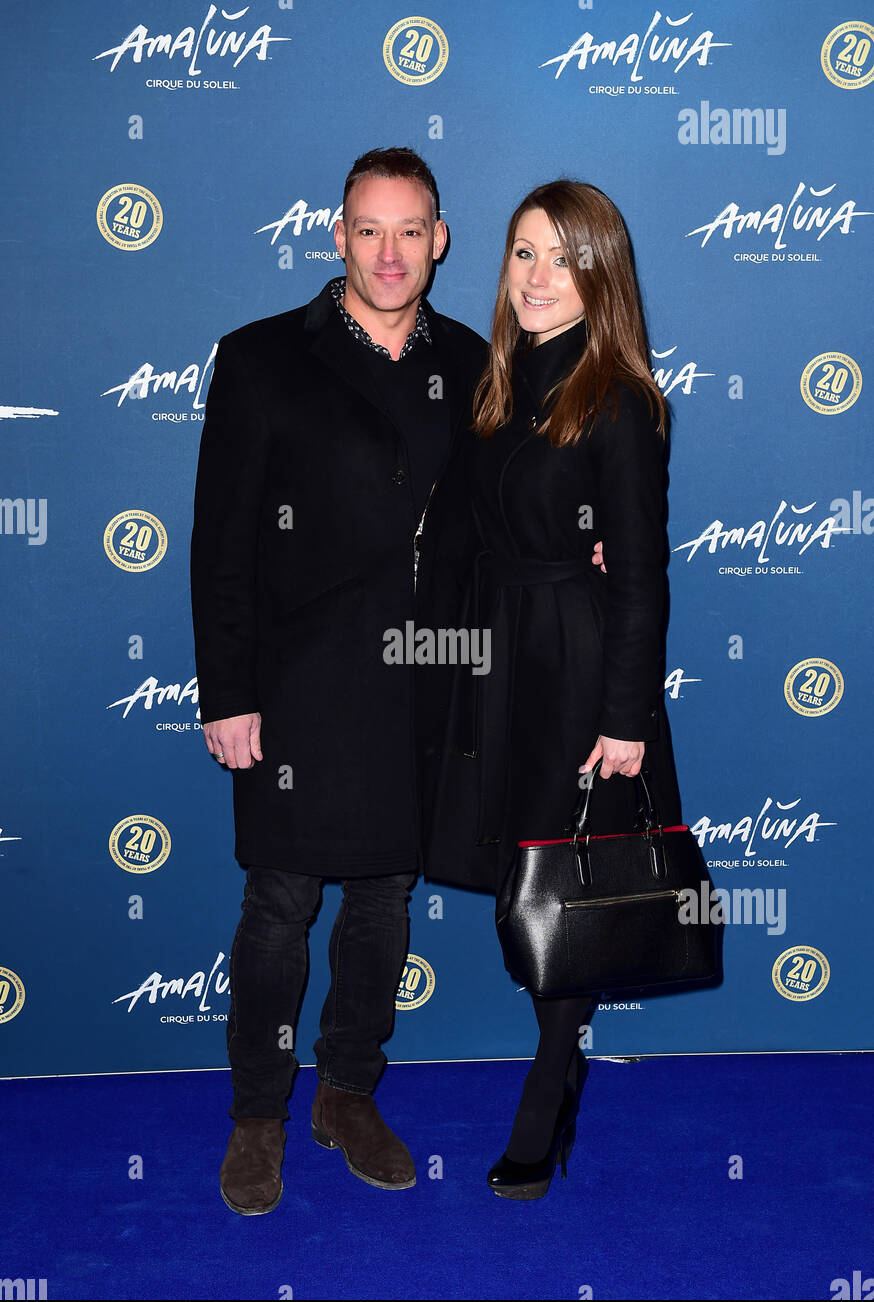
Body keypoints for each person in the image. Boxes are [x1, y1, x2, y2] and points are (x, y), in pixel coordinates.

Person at [190, 148, 486, 1213]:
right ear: (336, 236)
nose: (390, 251)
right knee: (279, 901)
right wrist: (226, 692)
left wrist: (578, 552)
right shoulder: (265, 357)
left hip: (419, 681)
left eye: (411, 230)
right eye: (369, 229)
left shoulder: (470, 360)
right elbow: (221, 541)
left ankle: (348, 1092)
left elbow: (494, 518)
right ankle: (260, 1112)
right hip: (296, 684)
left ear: (439, 239)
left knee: (385, 897)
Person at [419, 180, 683, 1199]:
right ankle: (561, 1043)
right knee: (514, 876)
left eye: (561, 259)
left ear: (599, 276)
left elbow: (645, 574)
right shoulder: (494, 385)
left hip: (573, 664)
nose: (536, 277)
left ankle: (549, 1079)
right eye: (522, 253)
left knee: (563, 880)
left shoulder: (617, 400)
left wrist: (623, 717)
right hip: (491, 658)